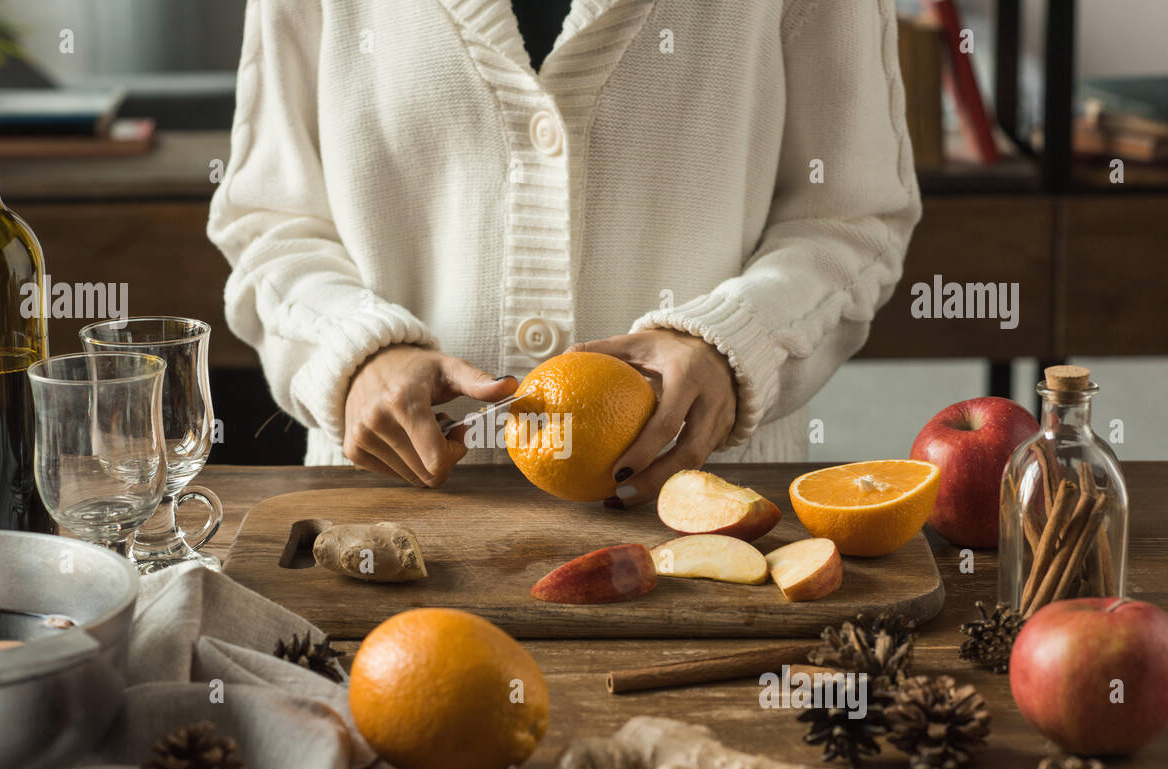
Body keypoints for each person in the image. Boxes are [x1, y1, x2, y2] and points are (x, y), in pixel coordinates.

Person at [208, 0, 921, 505]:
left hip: (707, 523)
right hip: (389, 526)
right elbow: (270, 217)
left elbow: (853, 213)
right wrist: (355, 352)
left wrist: (736, 345)